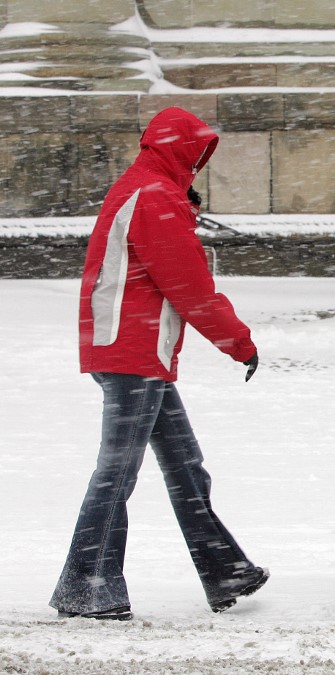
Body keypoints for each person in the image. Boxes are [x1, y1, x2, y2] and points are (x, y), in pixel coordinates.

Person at [50, 107, 267, 621]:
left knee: (185, 465)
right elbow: (190, 286)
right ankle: (86, 586)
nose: (199, 165)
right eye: (196, 154)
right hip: (133, 352)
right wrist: (239, 341)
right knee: (118, 472)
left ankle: (224, 569)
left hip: (136, 350)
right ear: (180, 150)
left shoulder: (146, 186)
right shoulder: (153, 195)